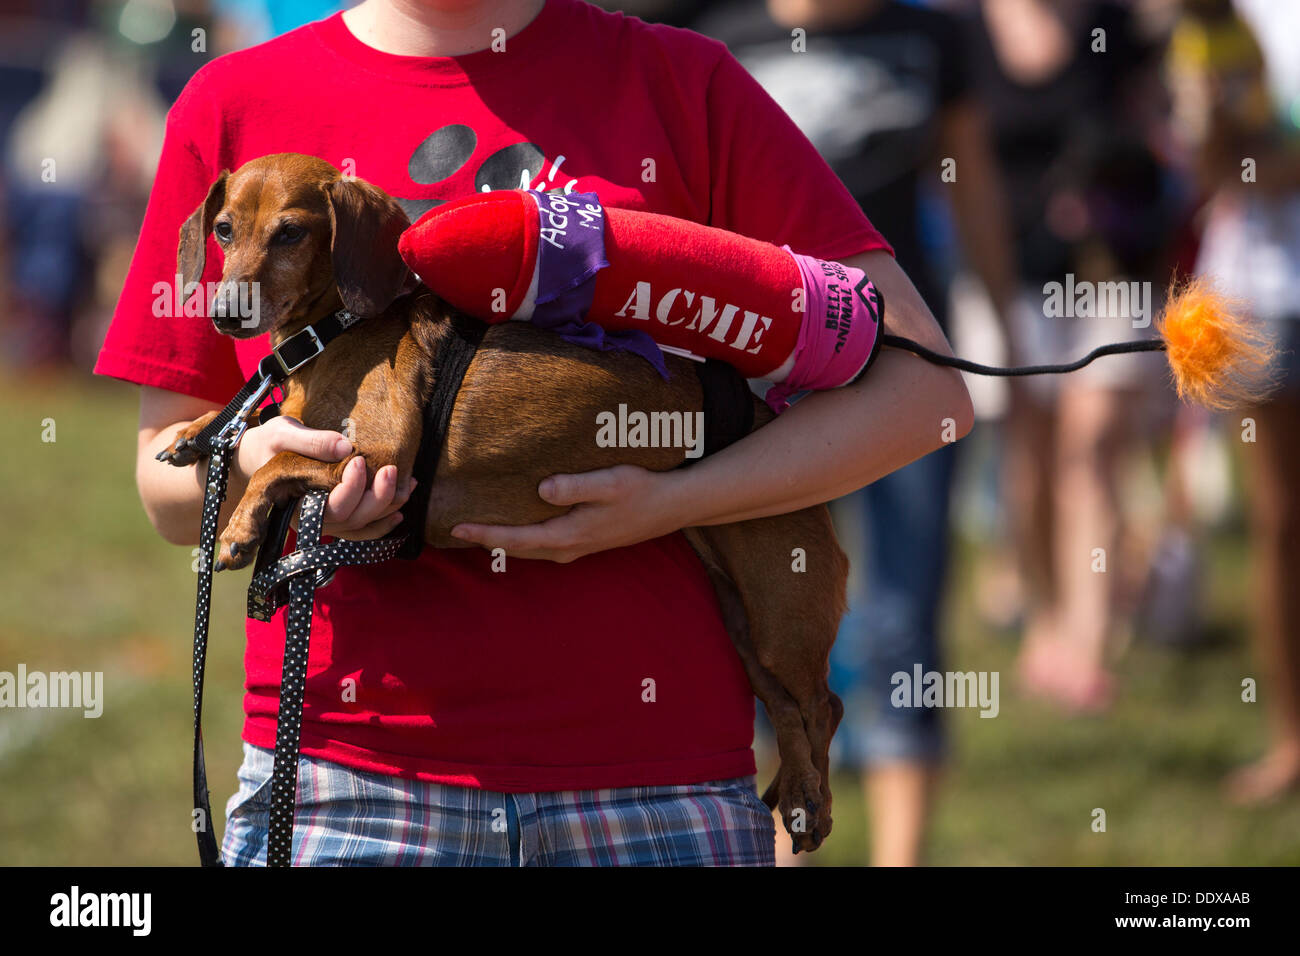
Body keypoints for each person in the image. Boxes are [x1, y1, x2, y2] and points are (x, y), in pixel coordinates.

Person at [96, 0, 971, 866]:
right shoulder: (237, 99)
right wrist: (272, 460)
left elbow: (923, 393)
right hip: (348, 787)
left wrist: (671, 502)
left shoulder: (685, 82)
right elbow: (168, 491)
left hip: (654, 792)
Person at [693, 0, 1018, 866]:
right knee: (765, 617)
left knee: (905, 611)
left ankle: (899, 855)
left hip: (905, 370)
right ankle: (781, 842)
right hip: (757, 381)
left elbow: (971, 182)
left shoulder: (934, 33)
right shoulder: (713, 39)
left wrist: (1005, 322)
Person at [1167, 0, 1300, 804]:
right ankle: (1292, 739)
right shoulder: (1220, 21)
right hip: (1263, 291)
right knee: (1281, 522)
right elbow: (1217, 168)